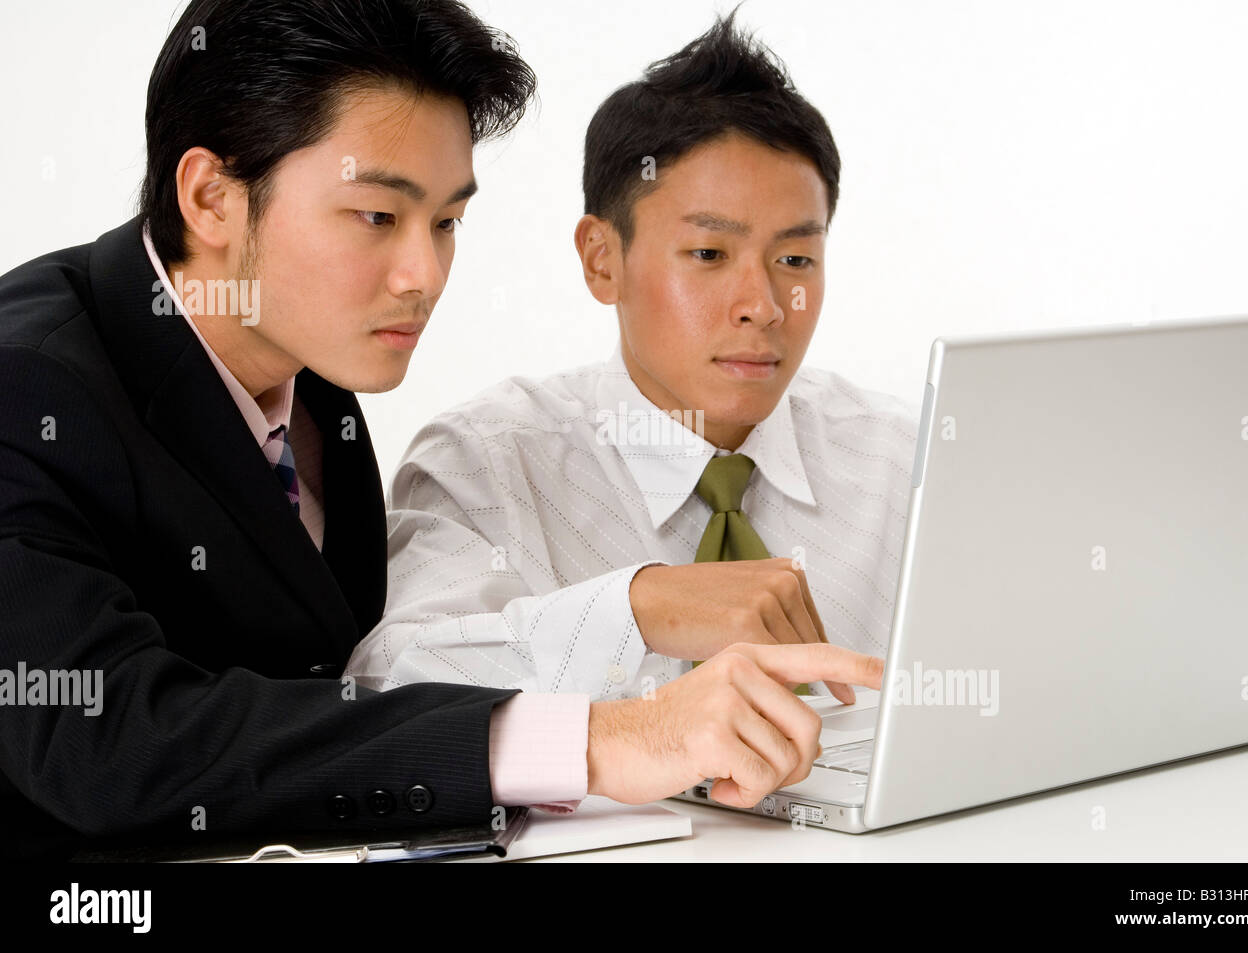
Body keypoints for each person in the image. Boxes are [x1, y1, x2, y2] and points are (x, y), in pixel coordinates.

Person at [0, 0, 882, 861]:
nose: (424, 275)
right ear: (212, 196)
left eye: (448, 221)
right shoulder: (24, 380)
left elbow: (325, 696)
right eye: (379, 217)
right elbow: (110, 741)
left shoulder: (312, 387)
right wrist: (598, 739)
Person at [346, 15, 916, 710]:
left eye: (795, 259)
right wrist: (636, 606)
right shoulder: (488, 465)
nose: (763, 305)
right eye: (708, 255)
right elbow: (395, 680)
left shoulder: (904, 463)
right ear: (601, 259)